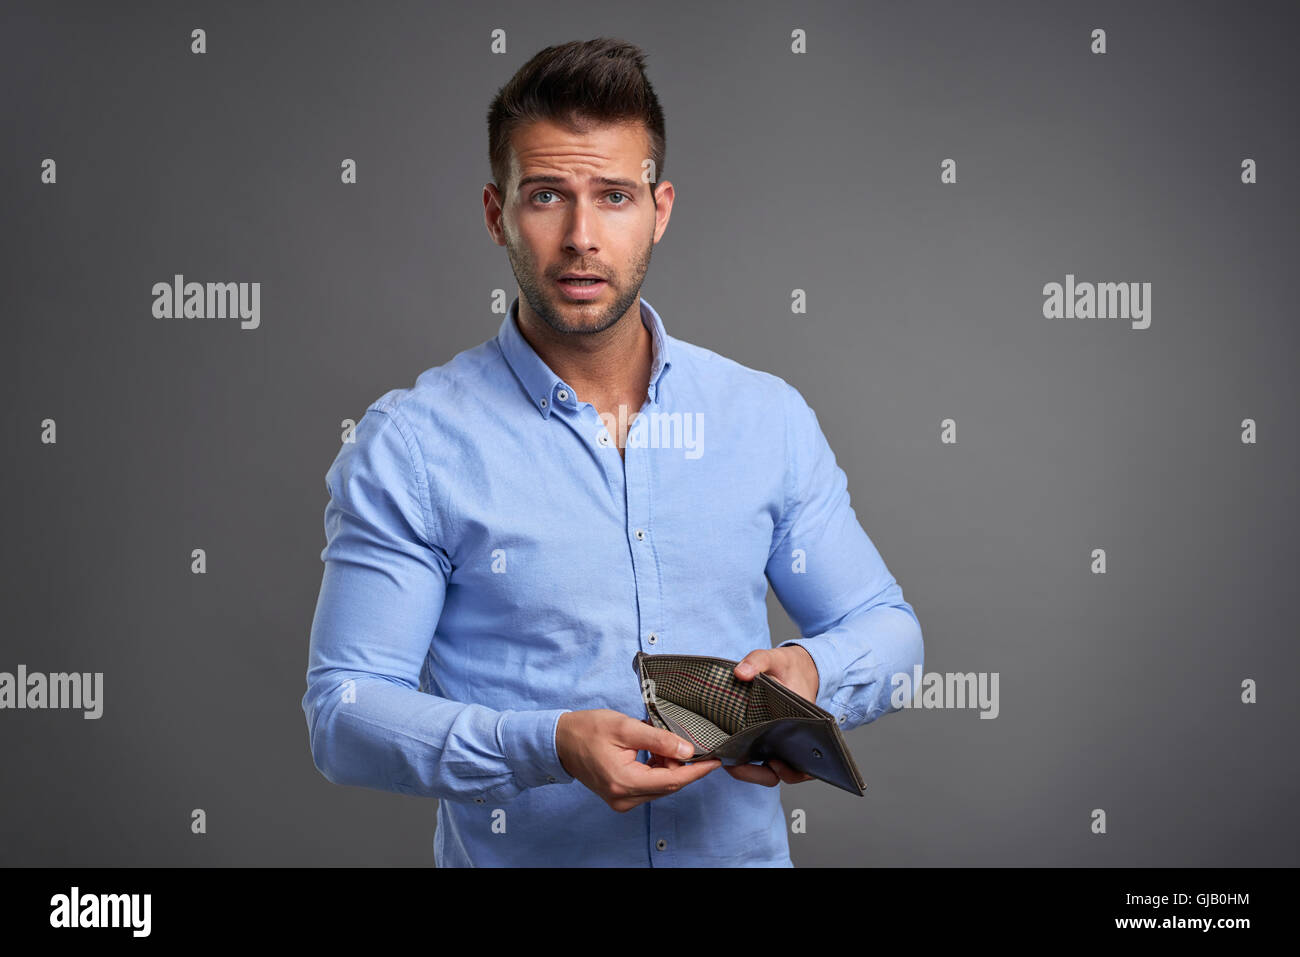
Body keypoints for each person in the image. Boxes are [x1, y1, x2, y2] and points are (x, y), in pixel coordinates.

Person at [301, 36, 923, 867]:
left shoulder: (763, 416)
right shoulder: (413, 447)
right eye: (548, 195)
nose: (582, 236)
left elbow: (885, 627)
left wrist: (810, 674)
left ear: (660, 209)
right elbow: (345, 712)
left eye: (616, 196)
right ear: (497, 213)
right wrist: (547, 744)